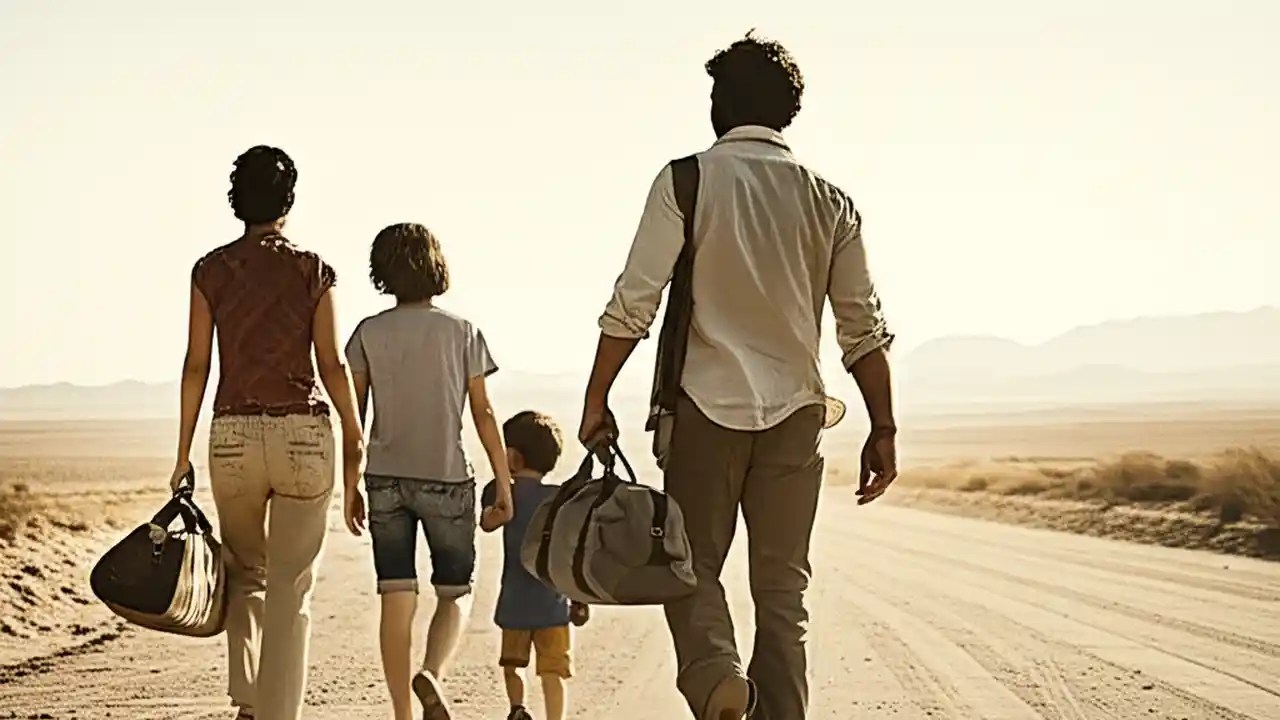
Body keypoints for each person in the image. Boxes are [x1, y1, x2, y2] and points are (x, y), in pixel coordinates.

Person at [577, 32, 898, 720]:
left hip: (703, 413)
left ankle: (716, 674)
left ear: (719, 103)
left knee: (688, 568)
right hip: (798, 420)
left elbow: (635, 302)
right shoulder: (831, 202)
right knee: (784, 593)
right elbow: (861, 328)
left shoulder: (686, 181)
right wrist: (884, 426)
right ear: (790, 112)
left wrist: (596, 396)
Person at [170, 145, 365, 720]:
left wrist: (182, 451)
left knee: (244, 570)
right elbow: (331, 363)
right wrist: (354, 434)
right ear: (289, 201)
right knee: (291, 586)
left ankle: (249, 701)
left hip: (231, 435)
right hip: (303, 434)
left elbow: (196, 366)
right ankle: (279, 713)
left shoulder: (209, 270)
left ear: (237, 201)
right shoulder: (313, 270)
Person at [342, 222, 515, 720]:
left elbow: (354, 421)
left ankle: (402, 713)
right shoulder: (461, 331)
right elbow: (483, 413)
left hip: (385, 481)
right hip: (447, 477)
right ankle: (432, 673)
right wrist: (503, 482)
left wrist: (350, 485)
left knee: (395, 594)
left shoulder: (367, 333)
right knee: (454, 592)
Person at [479, 411, 590, 720]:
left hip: (514, 599)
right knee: (553, 672)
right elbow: (572, 550)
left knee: (512, 664)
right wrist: (580, 597)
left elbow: (487, 523)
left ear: (512, 456)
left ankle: (517, 708)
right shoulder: (559, 499)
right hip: (554, 603)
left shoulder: (502, 492)